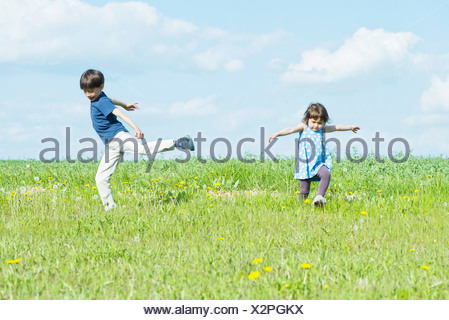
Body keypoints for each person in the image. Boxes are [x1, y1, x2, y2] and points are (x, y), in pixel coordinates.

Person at [80, 69, 194, 211]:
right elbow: (112, 101)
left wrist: (136, 127)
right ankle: (111, 210)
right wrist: (125, 104)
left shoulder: (100, 101)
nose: (88, 95)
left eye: (91, 91)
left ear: (101, 87)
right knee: (101, 178)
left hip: (118, 137)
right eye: (85, 91)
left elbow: (118, 112)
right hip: (111, 145)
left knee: (142, 150)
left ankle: (179, 142)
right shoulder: (100, 98)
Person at [268, 103, 359, 206]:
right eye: (313, 122)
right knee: (304, 191)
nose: (316, 125)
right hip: (304, 165)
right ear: (307, 119)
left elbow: (336, 127)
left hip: (318, 163)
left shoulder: (322, 129)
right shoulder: (303, 127)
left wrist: (350, 127)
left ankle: (319, 197)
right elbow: (290, 129)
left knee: (326, 174)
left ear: (324, 122)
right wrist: (277, 134)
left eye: (320, 123)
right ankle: (300, 208)